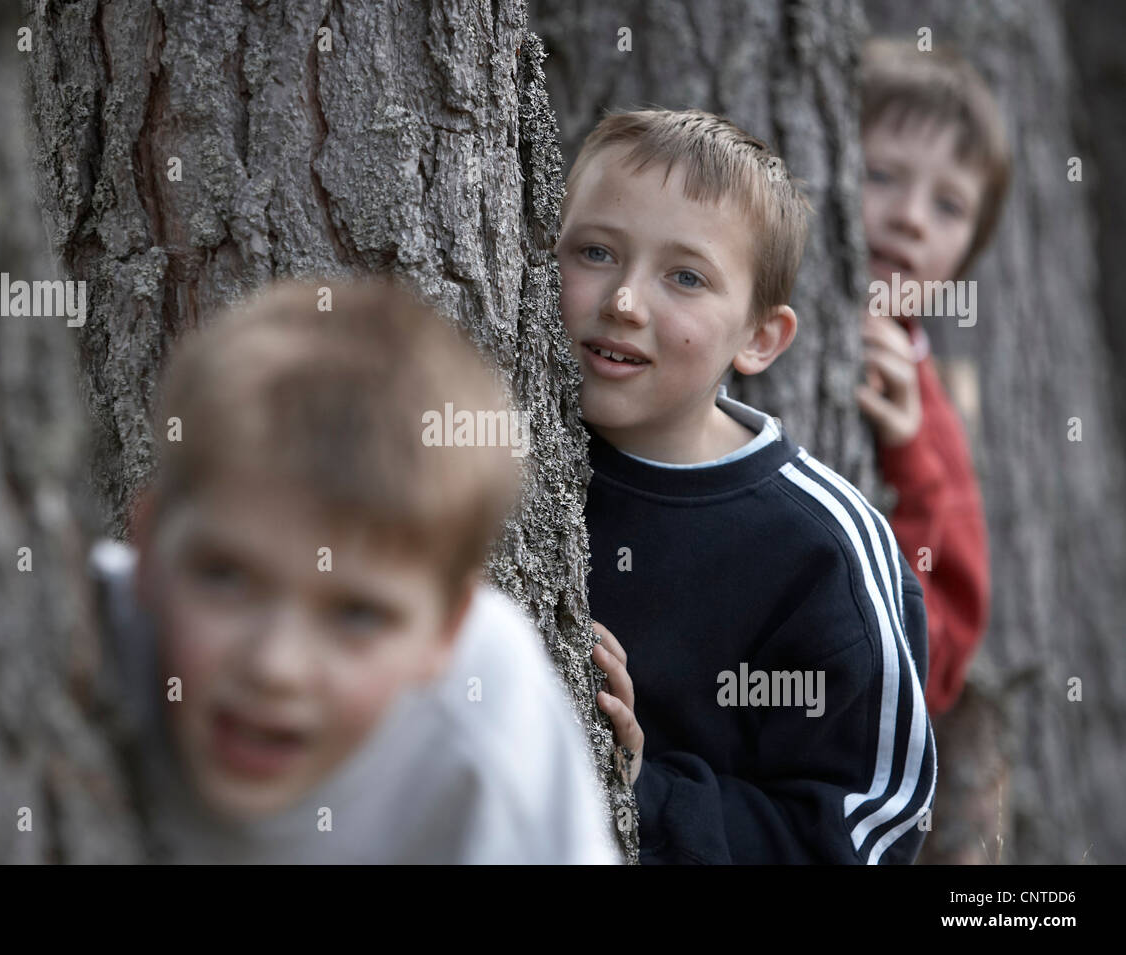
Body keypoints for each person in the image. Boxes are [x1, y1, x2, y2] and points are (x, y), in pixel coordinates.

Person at [91, 277, 620, 864]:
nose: (275, 667)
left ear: (446, 631)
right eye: (225, 577)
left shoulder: (487, 721)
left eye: (358, 614)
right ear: (148, 548)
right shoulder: (70, 641)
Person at [558, 108, 935, 863]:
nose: (624, 301)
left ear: (760, 338)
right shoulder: (505, 442)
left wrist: (637, 792)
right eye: (596, 252)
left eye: (685, 277)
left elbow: (861, 833)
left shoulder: (822, 549)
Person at [856, 38, 1012, 865]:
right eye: (881, 175)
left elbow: (943, 647)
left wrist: (912, 456)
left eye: (949, 206)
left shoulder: (934, 421)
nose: (911, 216)